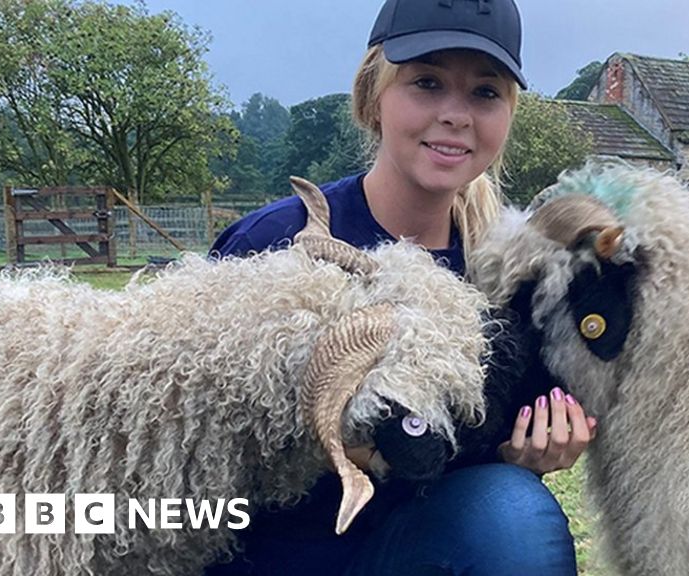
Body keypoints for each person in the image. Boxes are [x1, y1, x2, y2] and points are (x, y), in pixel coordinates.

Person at [206, 1, 596, 574]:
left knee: (513, 512)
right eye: (427, 82)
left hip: (410, 548)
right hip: (272, 553)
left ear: (508, 114)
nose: (455, 115)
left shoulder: (502, 273)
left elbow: (462, 455)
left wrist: (520, 458)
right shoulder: (274, 243)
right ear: (373, 97)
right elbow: (196, 447)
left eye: (485, 92)